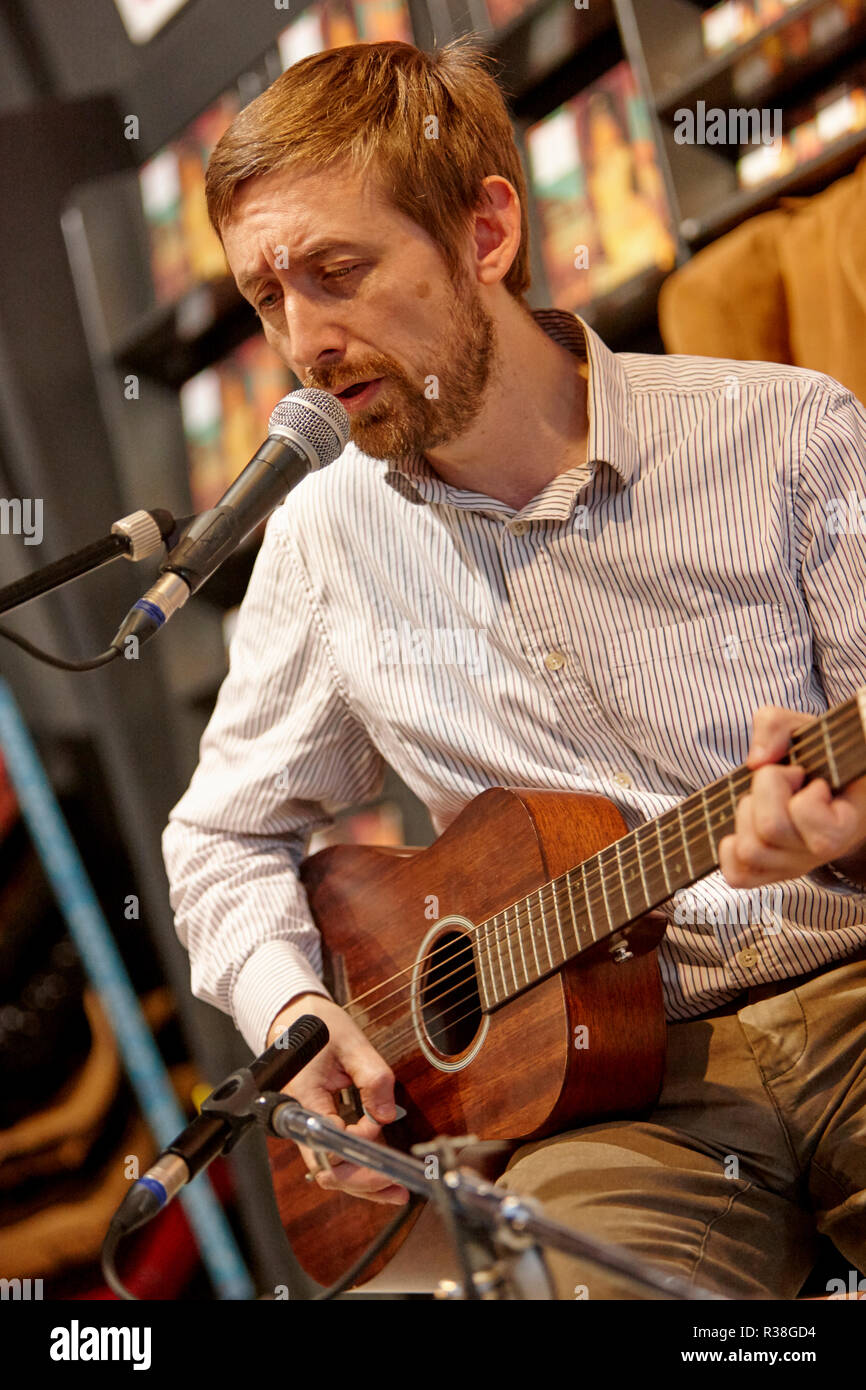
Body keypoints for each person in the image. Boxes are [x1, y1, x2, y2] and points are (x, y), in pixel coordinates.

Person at [162, 38, 866, 1299]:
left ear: (485, 230)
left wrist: (845, 838)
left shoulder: (785, 434)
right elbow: (219, 834)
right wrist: (288, 1009)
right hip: (606, 1104)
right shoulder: (322, 545)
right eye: (269, 301)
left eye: (339, 272)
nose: (305, 343)